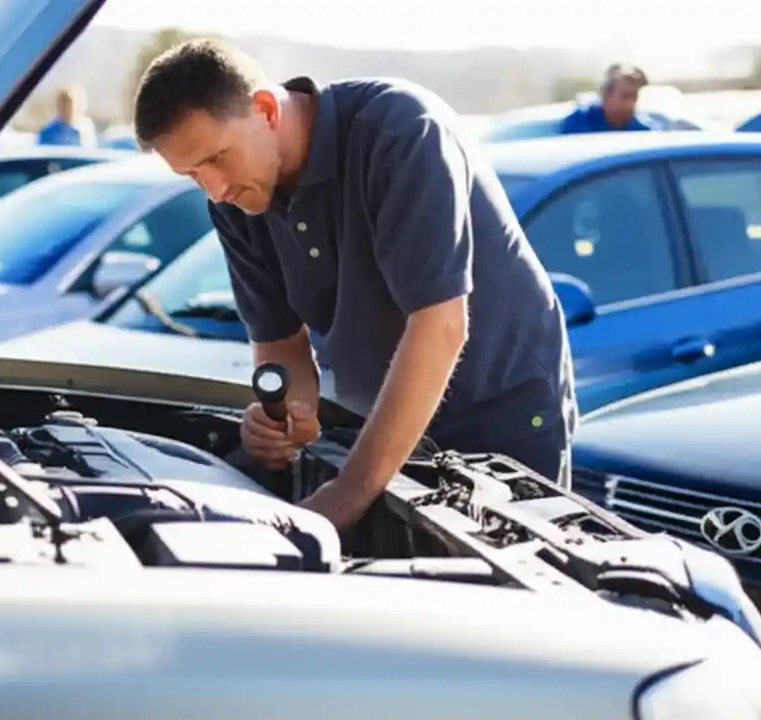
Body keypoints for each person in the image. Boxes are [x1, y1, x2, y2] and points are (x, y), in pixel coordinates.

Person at [131, 39, 576, 532]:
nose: (214, 189)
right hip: (375, 435)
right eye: (193, 174)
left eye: (216, 158)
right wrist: (285, 420)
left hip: (501, 428)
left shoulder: (402, 131)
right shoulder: (238, 201)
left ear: (264, 110)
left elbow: (441, 325)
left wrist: (350, 492)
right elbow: (280, 344)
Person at [560, 64, 655, 134]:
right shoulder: (579, 122)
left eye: (634, 97)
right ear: (606, 96)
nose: (630, 103)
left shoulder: (643, 132)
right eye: (625, 96)